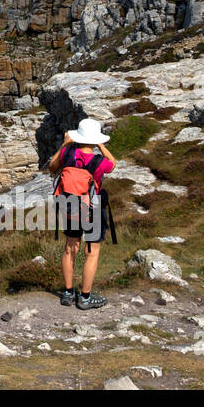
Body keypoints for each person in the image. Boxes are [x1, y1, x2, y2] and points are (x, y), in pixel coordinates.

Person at [47, 118, 116, 310]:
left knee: (70, 248)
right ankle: (85, 297)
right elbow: (113, 163)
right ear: (95, 139)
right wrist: (101, 146)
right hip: (92, 208)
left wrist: (64, 144)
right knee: (91, 252)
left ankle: (68, 293)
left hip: (69, 206)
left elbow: (52, 168)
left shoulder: (68, 153)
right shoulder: (99, 161)